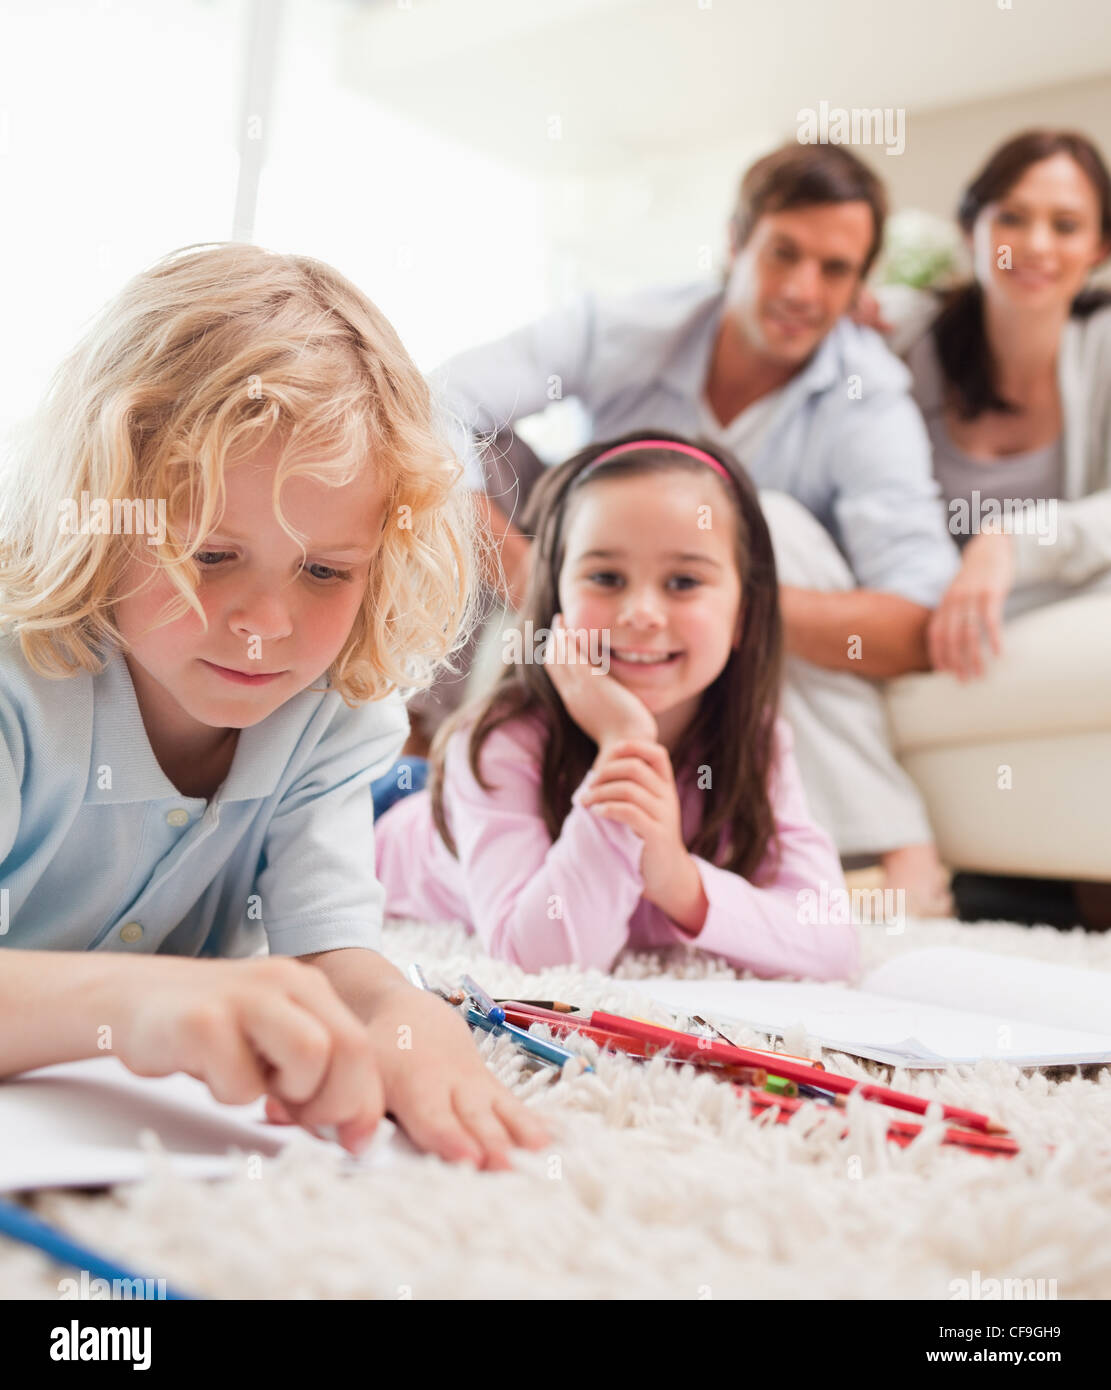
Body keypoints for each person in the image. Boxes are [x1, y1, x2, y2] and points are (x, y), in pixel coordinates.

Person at [0, 243, 548, 1170]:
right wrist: (137, 1006)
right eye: (210, 555)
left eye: (326, 570)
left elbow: (329, 952)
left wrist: (402, 1022)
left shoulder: (332, 715)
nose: (264, 626)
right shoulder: (20, 686)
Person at [422, 141, 961, 916]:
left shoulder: (866, 401)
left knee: (764, 521)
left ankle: (870, 847)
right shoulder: (629, 325)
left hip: (732, 636)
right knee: (458, 456)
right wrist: (526, 566)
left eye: (835, 270)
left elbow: (916, 622)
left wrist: (716, 600)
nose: (804, 290)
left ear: (857, 286)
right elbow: (441, 400)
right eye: (784, 254)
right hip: (576, 568)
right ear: (736, 243)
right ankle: (431, 746)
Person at [375, 431, 860, 979]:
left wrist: (680, 883)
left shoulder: (755, 741)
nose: (642, 612)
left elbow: (832, 945)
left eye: (683, 581)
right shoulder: (496, 742)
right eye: (606, 577)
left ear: (743, 615)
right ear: (556, 599)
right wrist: (626, 745)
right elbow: (538, 960)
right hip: (378, 812)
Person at [874, 130, 1111, 678]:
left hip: (1050, 612)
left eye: (1066, 225)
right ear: (969, 229)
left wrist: (1009, 542)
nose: (1035, 245)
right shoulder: (905, 336)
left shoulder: (1102, 346)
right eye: (1011, 218)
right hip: (914, 619)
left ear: (1099, 248)